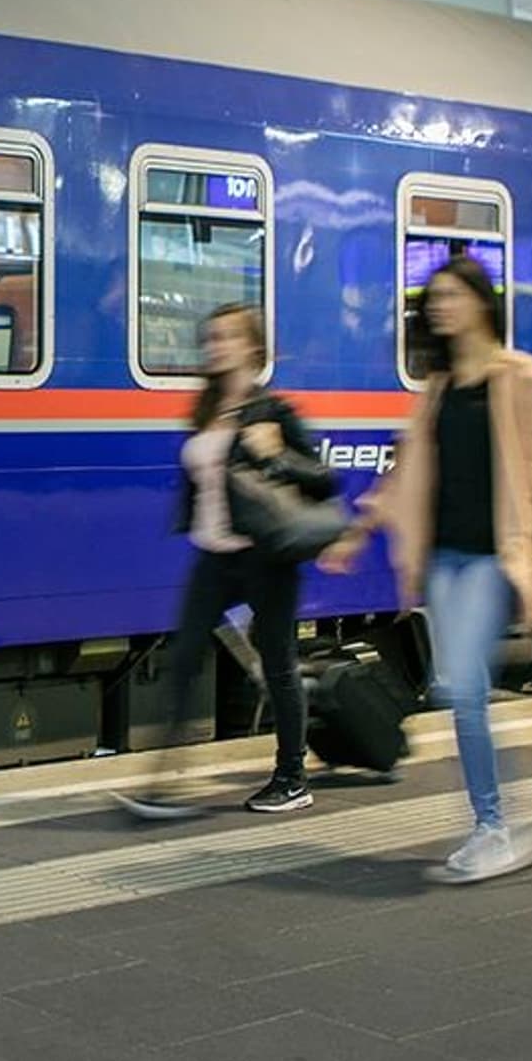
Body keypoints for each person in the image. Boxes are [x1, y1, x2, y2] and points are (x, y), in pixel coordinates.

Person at [321, 256, 532, 882]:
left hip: (498, 554)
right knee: (456, 688)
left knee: (463, 688)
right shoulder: (437, 388)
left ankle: (492, 825)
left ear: (480, 302)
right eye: (432, 298)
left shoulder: (524, 378)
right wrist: (358, 532)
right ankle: (502, 818)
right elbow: (403, 472)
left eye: (450, 296)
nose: (438, 307)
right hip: (444, 555)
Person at [120, 304, 330, 817]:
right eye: (211, 338)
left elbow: (323, 479)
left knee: (277, 664)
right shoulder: (206, 408)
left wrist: (275, 454)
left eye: (227, 338)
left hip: (265, 558)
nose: (216, 346)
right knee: (184, 658)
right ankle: (166, 785)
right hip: (214, 556)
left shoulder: (273, 411)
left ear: (252, 348)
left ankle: (291, 777)